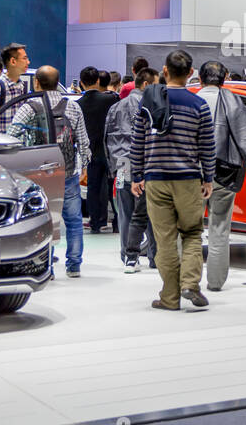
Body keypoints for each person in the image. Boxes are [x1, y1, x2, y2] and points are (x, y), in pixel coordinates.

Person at [130, 49, 215, 310]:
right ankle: (190, 284)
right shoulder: (199, 105)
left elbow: (138, 141)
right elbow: (207, 146)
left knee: (164, 239)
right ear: (191, 74)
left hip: (156, 179)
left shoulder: (149, 100)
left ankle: (169, 297)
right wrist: (208, 178)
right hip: (188, 179)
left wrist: (136, 175)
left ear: (164, 71)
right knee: (192, 233)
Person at [9, 65, 90, 275]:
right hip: (68, 171)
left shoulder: (29, 106)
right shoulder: (72, 106)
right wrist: (84, 167)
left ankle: (46, 267)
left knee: (43, 222)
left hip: (39, 173)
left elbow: (12, 134)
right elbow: (83, 141)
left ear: (36, 82)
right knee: (74, 221)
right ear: (57, 82)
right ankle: (74, 266)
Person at [197, 61, 246, 291]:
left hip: (193, 174)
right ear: (224, 78)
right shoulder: (235, 101)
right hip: (225, 173)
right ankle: (215, 282)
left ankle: (188, 280)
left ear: (201, 79)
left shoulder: (191, 100)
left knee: (189, 229)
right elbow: (244, 141)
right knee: (220, 228)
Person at [106, 67, 160, 271]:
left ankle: (129, 257)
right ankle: (155, 257)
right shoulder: (152, 107)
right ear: (146, 85)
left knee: (126, 213)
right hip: (145, 164)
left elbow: (107, 137)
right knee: (151, 212)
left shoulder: (116, 107)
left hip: (122, 165)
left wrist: (114, 167)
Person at [77, 65, 118, 235]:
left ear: (81, 83)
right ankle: (117, 221)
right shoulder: (111, 100)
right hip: (110, 150)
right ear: (98, 81)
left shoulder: (78, 104)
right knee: (113, 187)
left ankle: (95, 222)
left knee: (93, 187)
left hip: (91, 151)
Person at [0, 43, 29, 125]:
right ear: (13, 61)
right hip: (1, 137)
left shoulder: (22, 87)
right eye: (24, 58)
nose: (28, 62)